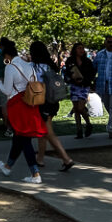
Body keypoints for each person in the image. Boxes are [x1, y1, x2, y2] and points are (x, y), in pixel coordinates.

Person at [0, 41, 46, 184]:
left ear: (7, 55)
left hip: (18, 105)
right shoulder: (29, 65)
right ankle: (8, 166)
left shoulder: (10, 67)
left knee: (24, 139)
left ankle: (35, 174)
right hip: (30, 103)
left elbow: (7, 90)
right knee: (19, 137)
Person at [29, 42, 75, 172]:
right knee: (42, 131)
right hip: (53, 101)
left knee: (48, 132)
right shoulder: (50, 66)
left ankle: (66, 159)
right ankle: (40, 158)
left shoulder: (33, 67)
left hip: (41, 101)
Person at [64, 43, 95, 139]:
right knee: (76, 109)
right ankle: (79, 130)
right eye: (79, 48)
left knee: (81, 108)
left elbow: (91, 74)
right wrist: (71, 78)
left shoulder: (87, 61)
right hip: (74, 86)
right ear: (75, 50)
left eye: (82, 48)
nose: (81, 50)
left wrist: (86, 81)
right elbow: (68, 72)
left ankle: (88, 124)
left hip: (84, 86)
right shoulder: (70, 60)